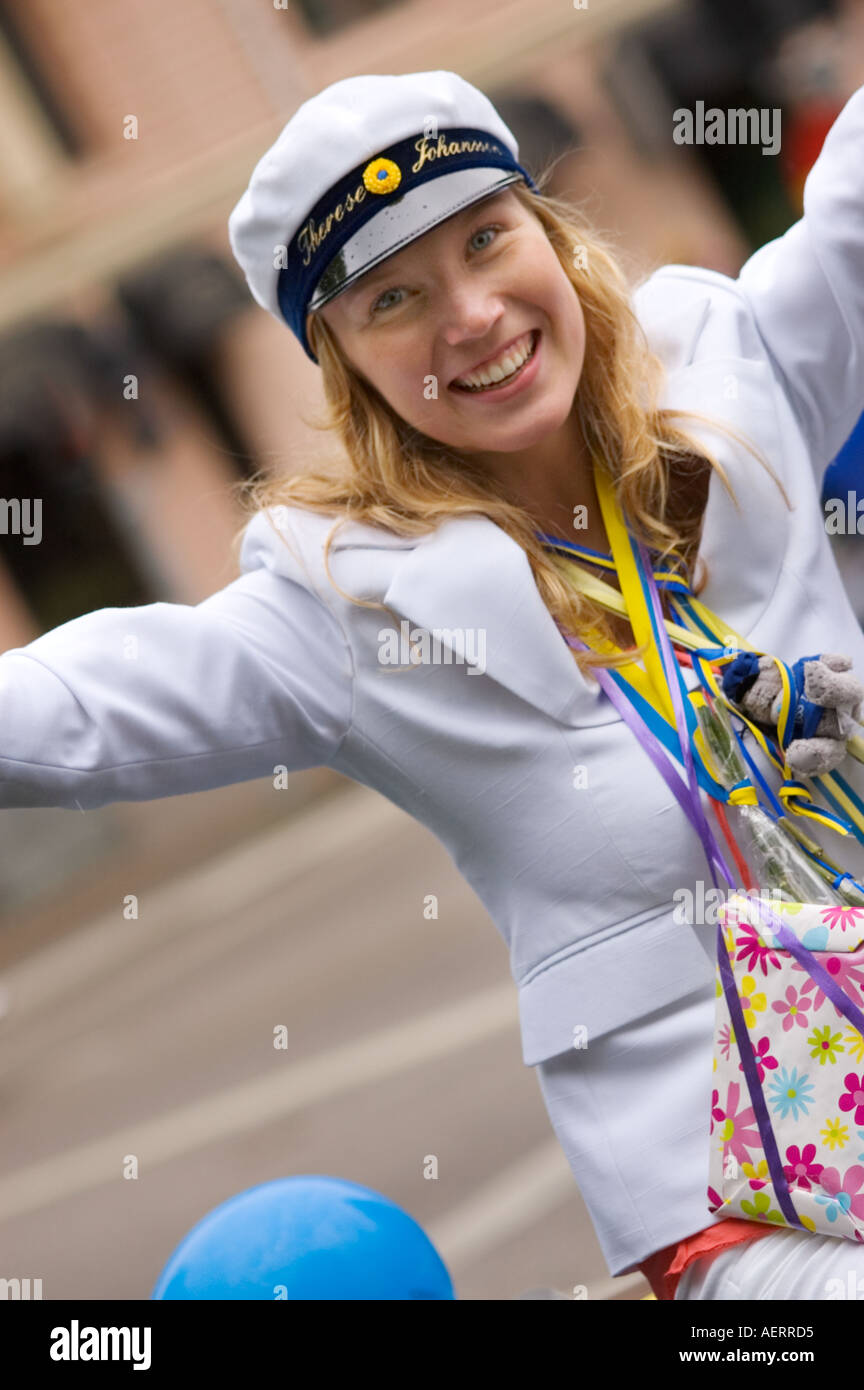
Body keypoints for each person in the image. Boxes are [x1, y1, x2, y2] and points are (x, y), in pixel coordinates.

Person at [3, 69, 864, 1299]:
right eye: (394, 296)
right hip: (738, 1198)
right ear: (343, 362)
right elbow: (71, 711)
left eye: (486, 237)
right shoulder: (348, 607)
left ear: (546, 232)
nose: (469, 313)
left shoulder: (736, 373)